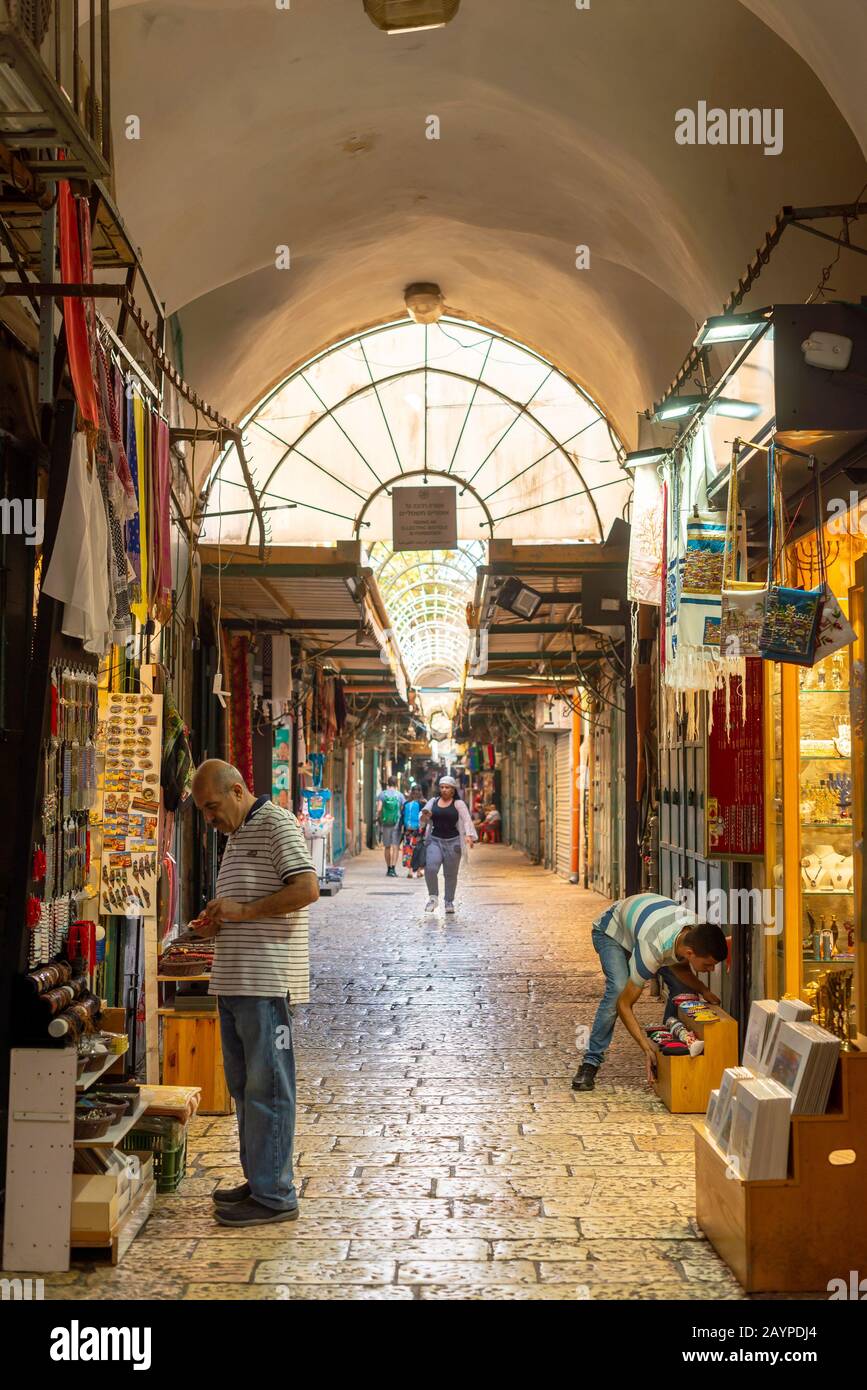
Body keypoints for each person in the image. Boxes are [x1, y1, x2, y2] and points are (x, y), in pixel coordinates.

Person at [190, 759, 319, 1227]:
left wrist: (242, 912)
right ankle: (261, 1180)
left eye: (211, 807)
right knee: (246, 1090)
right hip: (235, 981)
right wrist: (216, 924)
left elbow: (306, 888)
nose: (209, 819)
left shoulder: (274, 823)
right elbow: (244, 905)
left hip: (265, 982)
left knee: (269, 1088)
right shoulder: (238, 835)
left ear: (238, 790)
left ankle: (276, 1194)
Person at [572, 893, 728, 1092]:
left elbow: (679, 966)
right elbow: (624, 1005)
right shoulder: (652, 948)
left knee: (684, 990)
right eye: (708, 965)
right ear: (690, 953)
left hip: (650, 928)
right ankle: (590, 1063)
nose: (712, 970)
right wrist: (646, 1047)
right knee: (619, 990)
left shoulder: (699, 930)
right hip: (611, 931)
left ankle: (668, 1047)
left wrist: (703, 990)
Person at [419, 775, 478, 915]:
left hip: (453, 842)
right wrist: (425, 816)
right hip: (435, 840)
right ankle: (433, 897)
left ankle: (449, 901)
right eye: (442, 787)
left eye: (447, 788)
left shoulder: (458, 804)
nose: (444, 790)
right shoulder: (433, 802)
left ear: (453, 790)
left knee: (450, 874)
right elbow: (422, 820)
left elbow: (466, 820)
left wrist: (469, 835)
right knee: (431, 868)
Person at [376, 776, 405, 877]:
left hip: (386, 823)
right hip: (396, 823)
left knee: (387, 847)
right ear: (397, 783)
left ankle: (388, 869)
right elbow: (402, 809)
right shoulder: (400, 795)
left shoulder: (382, 794)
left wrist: (379, 818)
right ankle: (393, 868)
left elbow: (379, 809)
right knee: (395, 846)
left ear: (387, 783)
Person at [401, 786, 424, 878]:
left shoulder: (406, 803)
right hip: (418, 831)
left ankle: (410, 871)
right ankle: (418, 871)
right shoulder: (422, 803)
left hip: (407, 831)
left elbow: (402, 818)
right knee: (418, 850)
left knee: (408, 850)